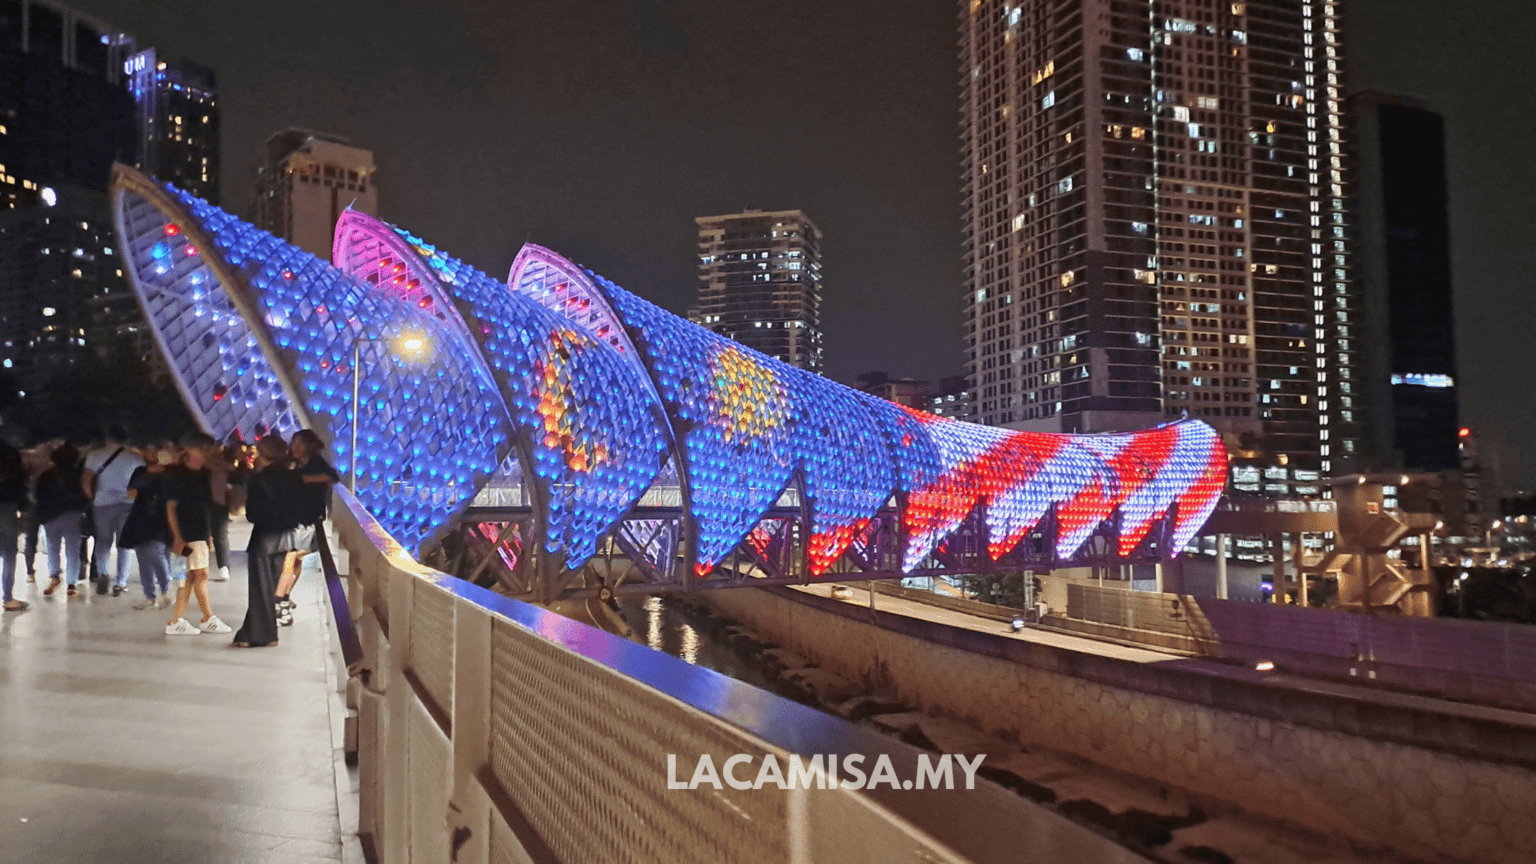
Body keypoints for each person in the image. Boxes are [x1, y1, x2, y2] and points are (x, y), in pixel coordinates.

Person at [233, 435, 301, 647]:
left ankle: (263, 634)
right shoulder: (294, 477)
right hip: (286, 536)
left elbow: (252, 514)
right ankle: (252, 633)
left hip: (264, 537)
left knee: (260, 587)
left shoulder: (259, 479)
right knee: (271, 587)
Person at [162, 433, 231, 635]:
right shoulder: (176, 476)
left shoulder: (202, 475)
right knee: (197, 576)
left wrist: (207, 535)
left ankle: (177, 621)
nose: (209, 453)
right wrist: (177, 537)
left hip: (197, 533)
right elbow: (170, 509)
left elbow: (203, 508)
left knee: (191, 578)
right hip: (186, 534)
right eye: (205, 449)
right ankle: (206, 618)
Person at [273, 429, 338, 626]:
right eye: (294, 443)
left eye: (300, 443)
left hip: (306, 520)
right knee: (294, 561)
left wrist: (301, 479)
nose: (295, 447)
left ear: (309, 446)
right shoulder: (294, 464)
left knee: (290, 558)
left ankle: (280, 603)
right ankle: (283, 597)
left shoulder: (315, 464)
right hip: (297, 518)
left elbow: (331, 477)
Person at [82, 425, 145, 597]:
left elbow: (86, 481)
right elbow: (142, 483)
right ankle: (121, 582)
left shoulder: (94, 455)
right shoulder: (135, 457)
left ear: (108, 438)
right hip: (128, 503)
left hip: (102, 503)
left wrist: (91, 498)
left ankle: (103, 573)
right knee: (123, 544)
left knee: (103, 541)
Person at [121, 440, 177, 611]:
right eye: (148, 452)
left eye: (154, 452)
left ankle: (166, 588)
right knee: (143, 557)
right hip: (140, 517)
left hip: (161, 518)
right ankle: (149, 596)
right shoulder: (139, 471)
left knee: (157, 552)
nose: (151, 456)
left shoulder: (169, 472)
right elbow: (131, 493)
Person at [36, 444, 88, 597]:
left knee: (53, 547)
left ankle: (54, 577)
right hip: (72, 515)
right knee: (73, 550)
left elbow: (39, 498)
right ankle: (71, 584)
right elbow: (84, 495)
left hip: (51, 516)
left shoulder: (46, 475)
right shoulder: (78, 475)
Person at [0, 439, 27, 611]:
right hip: (7, 508)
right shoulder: (9, 450)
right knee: (9, 553)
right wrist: (24, 509)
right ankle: (8, 598)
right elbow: (19, 480)